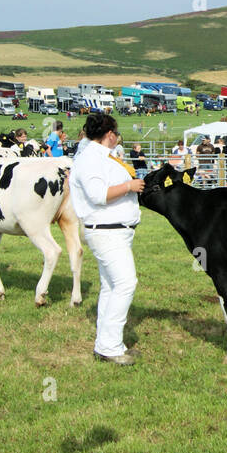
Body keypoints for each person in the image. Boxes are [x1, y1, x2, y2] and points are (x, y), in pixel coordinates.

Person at [71, 113, 144, 365]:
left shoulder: (97, 156)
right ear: (110, 135)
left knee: (112, 286)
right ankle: (110, 347)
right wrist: (129, 187)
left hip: (115, 229)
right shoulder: (91, 159)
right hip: (106, 230)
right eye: (117, 134)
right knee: (126, 283)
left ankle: (108, 342)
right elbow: (97, 194)